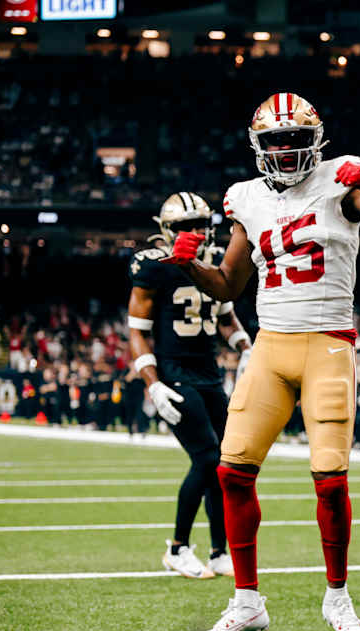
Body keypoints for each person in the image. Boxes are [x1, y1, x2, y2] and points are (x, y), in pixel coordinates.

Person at [165, 92, 360, 631]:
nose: (286, 150)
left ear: (315, 141)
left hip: (328, 345)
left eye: (294, 139)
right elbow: (230, 285)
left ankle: (337, 596)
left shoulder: (342, 182)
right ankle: (246, 601)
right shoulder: (245, 199)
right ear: (258, 147)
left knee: (331, 481)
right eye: (275, 141)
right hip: (270, 345)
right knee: (231, 471)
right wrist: (190, 263)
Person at [127, 192, 250, 580]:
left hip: (210, 373)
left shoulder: (214, 261)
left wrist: (246, 347)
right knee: (207, 458)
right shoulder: (153, 265)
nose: (197, 232)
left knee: (225, 465)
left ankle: (218, 552)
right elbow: (137, 331)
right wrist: (153, 383)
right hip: (175, 372)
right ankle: (178, 548)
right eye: (187, 226)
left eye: (201, 225)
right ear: (169, 230)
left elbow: (226, 317)